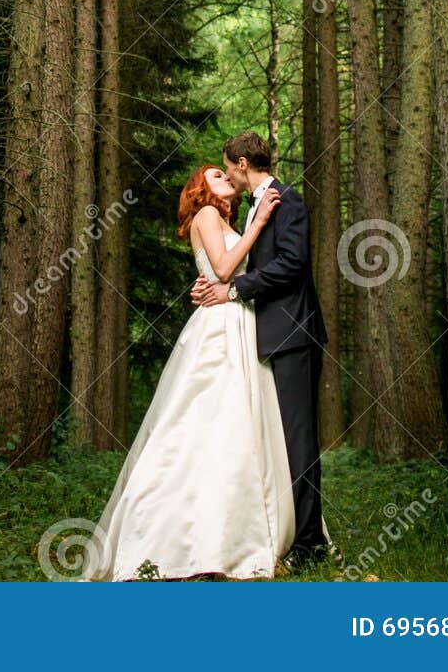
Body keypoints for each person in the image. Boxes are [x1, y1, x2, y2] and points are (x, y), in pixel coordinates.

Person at [82, 162, 294, 580]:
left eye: (225, 173)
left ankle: (229, 532)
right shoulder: (208, 214)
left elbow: (221, 274)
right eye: (216, 176)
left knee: (230, 429)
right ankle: (181, 538)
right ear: (200, 190)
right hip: (221, 326)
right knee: (208, 423)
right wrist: (260, 223)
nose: (225, 178)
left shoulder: (220, 218)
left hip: (235, 316)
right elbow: (223, 268)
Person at [191, 131, 329, 570]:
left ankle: (310, 546)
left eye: (228, 167)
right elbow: (229, 261)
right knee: (280, 442)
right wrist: (214, 286)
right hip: (265, 336)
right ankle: (287, 534)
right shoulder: (251, 208)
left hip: (293, 334)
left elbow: (292, 264)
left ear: (243, 164)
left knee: (299, 442)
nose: (228, 174)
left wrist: (233, 290)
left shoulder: (285, 199)